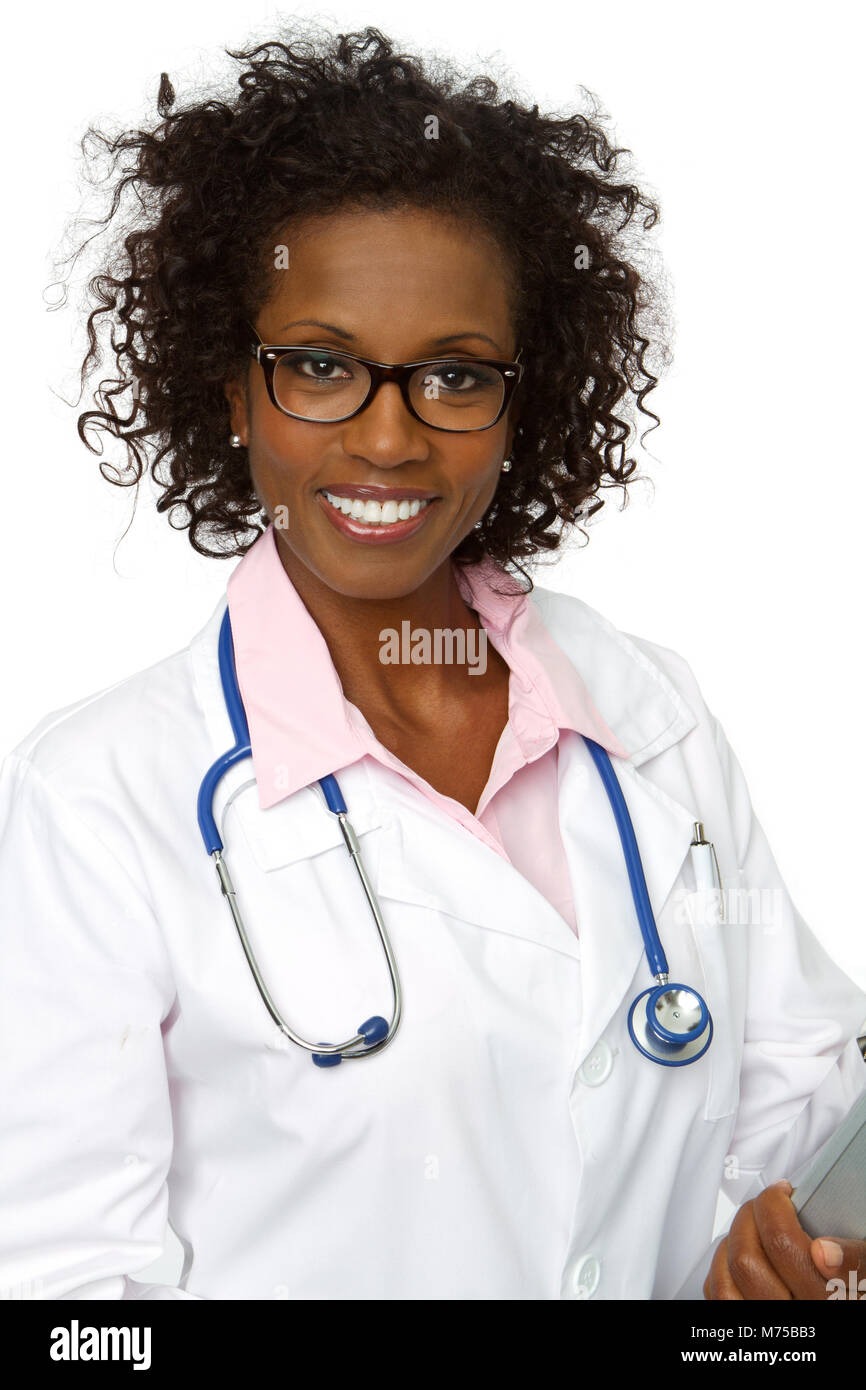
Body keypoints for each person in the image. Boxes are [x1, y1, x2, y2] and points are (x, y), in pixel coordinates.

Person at [1, 23, 864, 1302]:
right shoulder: (98, 801)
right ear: (229, 392)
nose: (389, 438)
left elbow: (798, 1105)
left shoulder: (647, 714)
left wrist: (773, 1272)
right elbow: (67, 1303)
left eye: (453, 377)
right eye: (318, 367)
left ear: (524, 404)